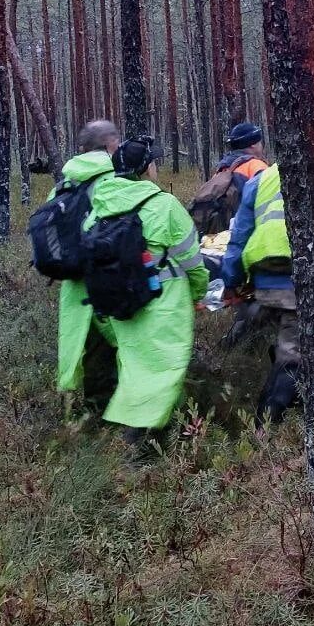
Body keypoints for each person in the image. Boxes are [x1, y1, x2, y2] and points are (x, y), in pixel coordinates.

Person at [219, 160, 314, 424]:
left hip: (263, 282)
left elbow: (240, 235)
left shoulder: (260, 181)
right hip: (305, 288)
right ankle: (267, 423)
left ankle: (283, 390)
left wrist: (231, 280)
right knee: (294, 357)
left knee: (282, 342)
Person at [86, 134, 208, 439]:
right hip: (163, 308)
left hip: (120, 310)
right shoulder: (164, 205)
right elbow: (192, 260)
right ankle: (149, 448)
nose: (156, 166)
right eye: (153, 161)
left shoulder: (99, 205)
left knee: (136, 372)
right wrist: (198, 294)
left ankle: (156, 438)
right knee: (166, 373)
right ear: (145, 169)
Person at [56, 120, 122, 411]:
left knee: (92, 344)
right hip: (111, 276)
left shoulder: (67, 181)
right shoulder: (115, 179)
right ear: (109, 144)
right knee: (126, 340)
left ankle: (97, 409)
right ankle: (126, 410)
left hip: (76, 279)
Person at [190, 122, 270, 237]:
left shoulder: (223, 169)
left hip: (224, 234)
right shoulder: (257, 166)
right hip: (250, 233)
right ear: (253, 144)